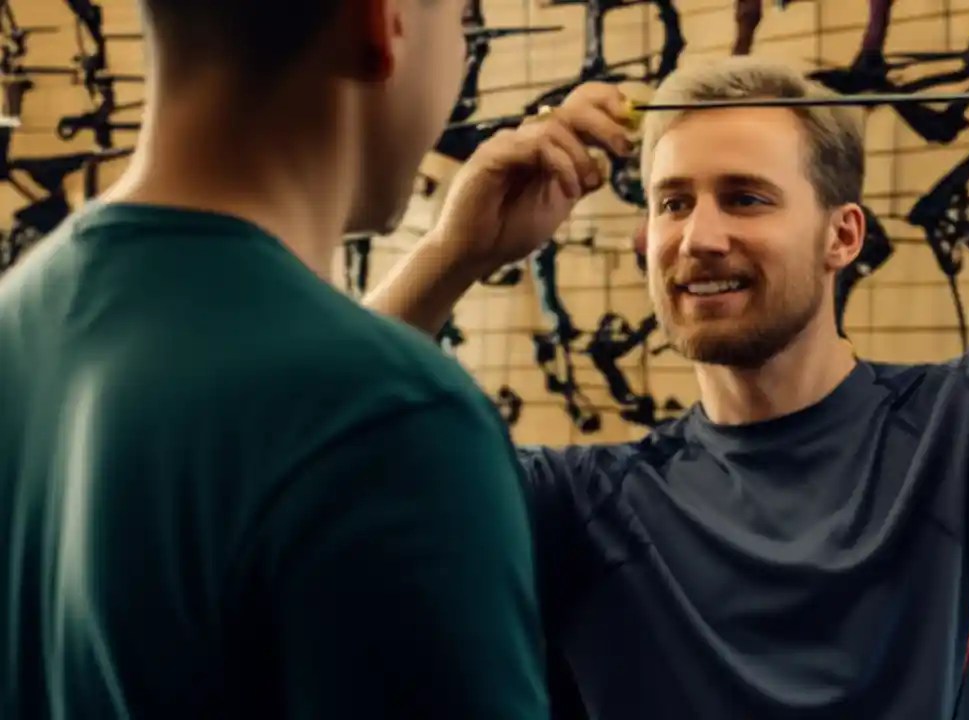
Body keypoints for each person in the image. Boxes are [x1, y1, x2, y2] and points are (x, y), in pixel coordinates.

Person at [369, 56, 969, 719]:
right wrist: (455, 249)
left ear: (843, 235)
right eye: (672, 203)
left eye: (746, 198)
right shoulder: (584, 504)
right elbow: (328, 424)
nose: (700, 237)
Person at [0, 0, 632, 717]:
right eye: (461, 18)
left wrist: (449, 261)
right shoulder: (399, 423)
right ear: (382, 22)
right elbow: (318, 426)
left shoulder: (18, 324)